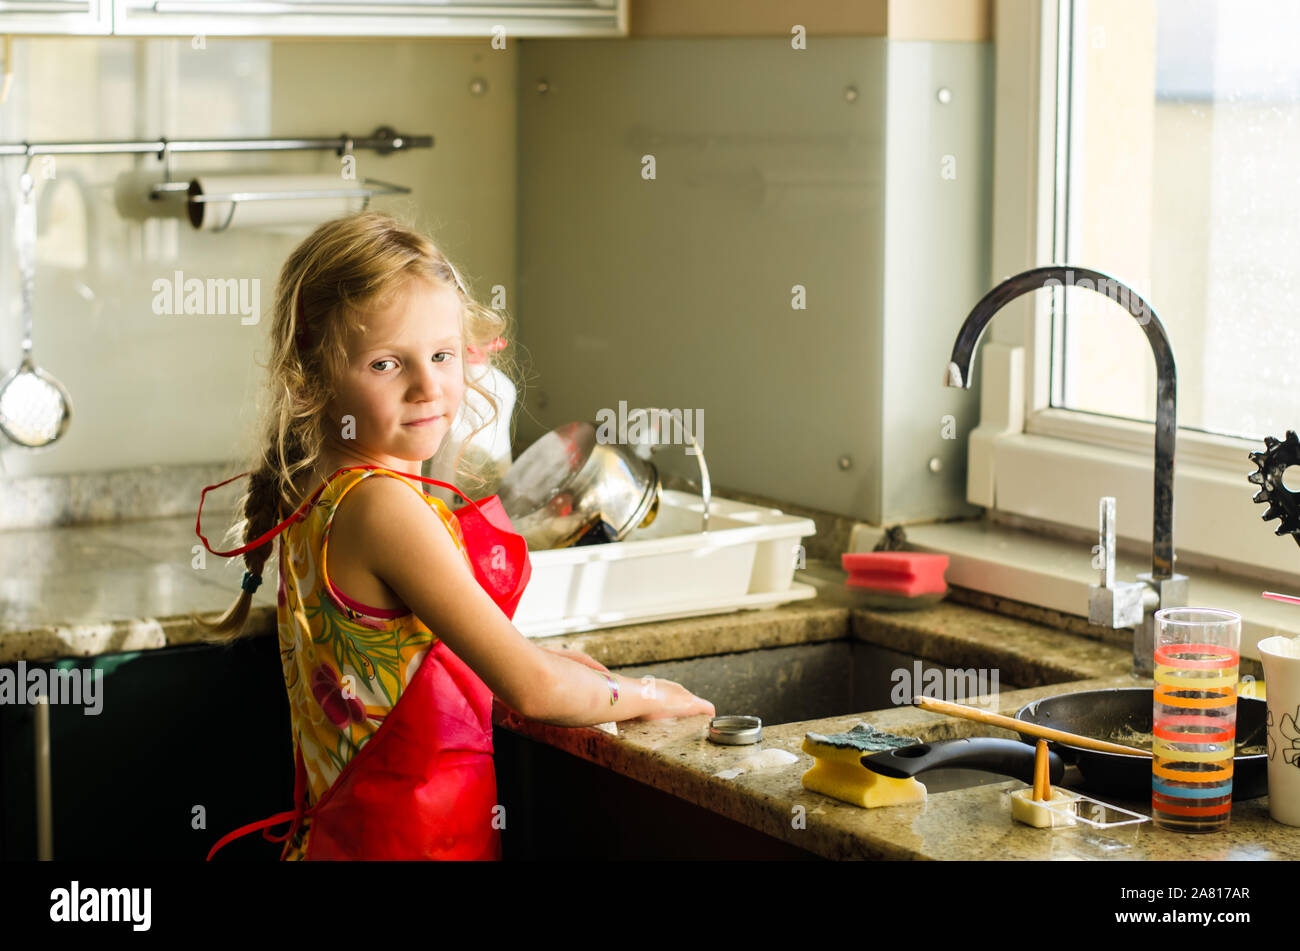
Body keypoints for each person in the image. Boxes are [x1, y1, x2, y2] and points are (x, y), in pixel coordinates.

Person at [192, 211, 714, 860]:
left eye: (442, 355)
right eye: (387, 363)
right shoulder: (385, 507)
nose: (428, 386)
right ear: (314, 374)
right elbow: (532, 689)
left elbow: (419, 659)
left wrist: (544, 662)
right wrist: (644, 695)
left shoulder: (322, 491)